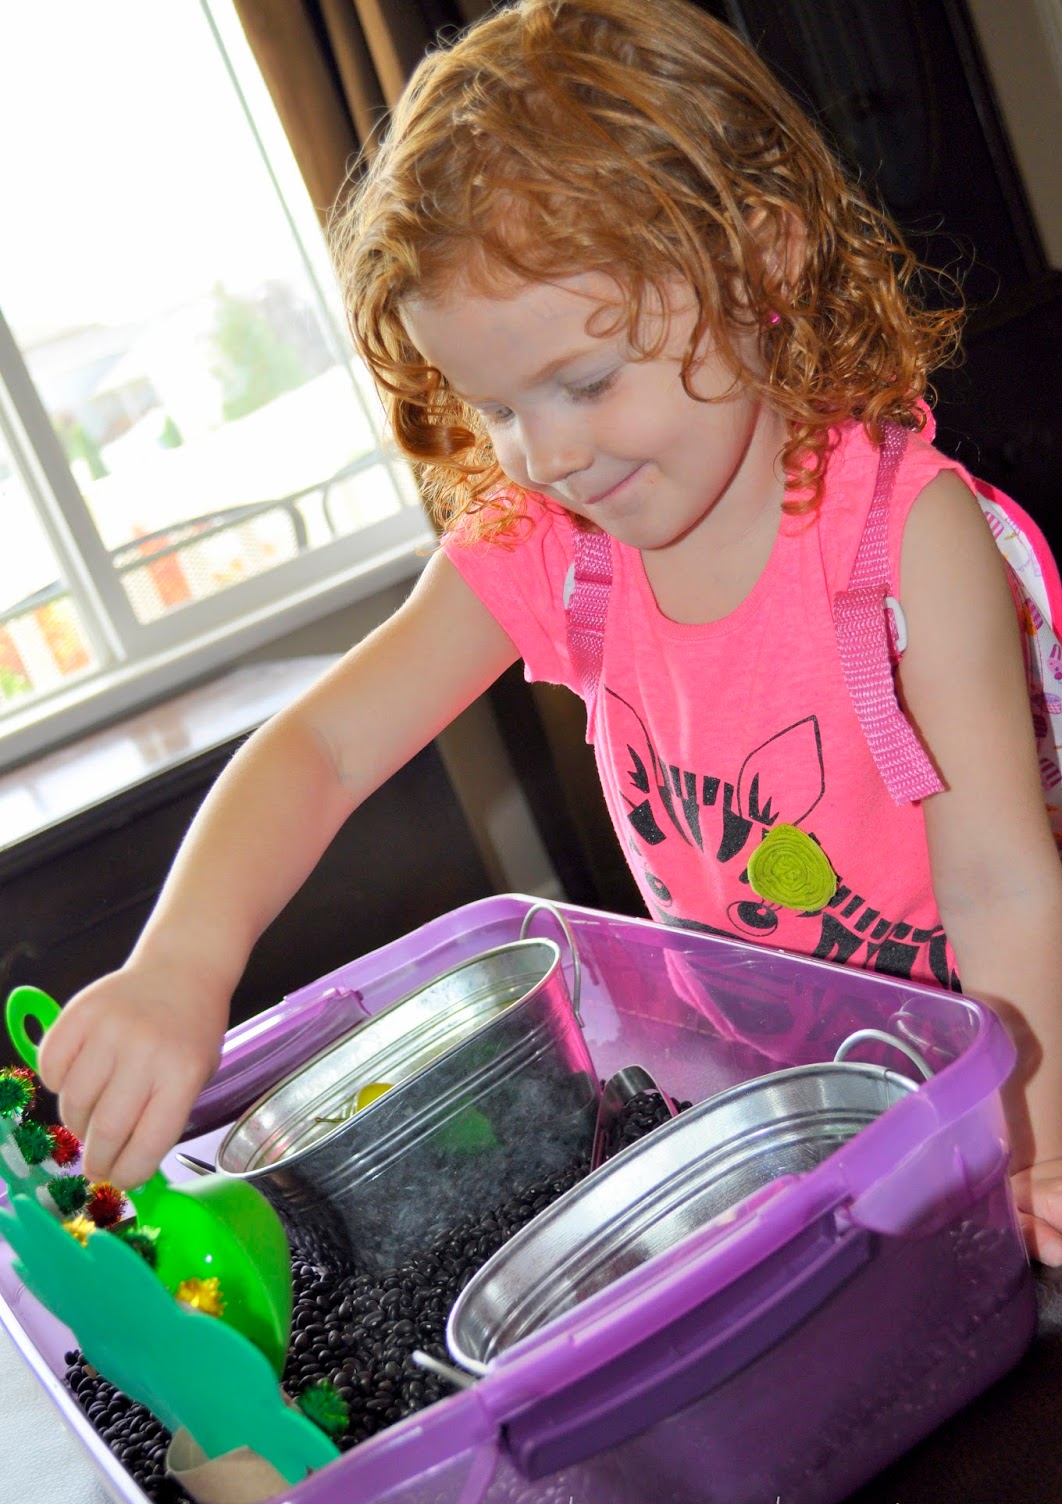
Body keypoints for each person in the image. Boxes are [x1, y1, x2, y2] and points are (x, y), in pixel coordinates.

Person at [38, 0, 1062, 1262]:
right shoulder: (552, 547)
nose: (551, 453)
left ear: (766, 263)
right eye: (498, 407)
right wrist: (183, 962)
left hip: (997, 1055)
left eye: (585, 383)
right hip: (780, 1092)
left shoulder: (907, 541)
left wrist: (1032, 1136)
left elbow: (1003, 883)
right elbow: (325, 750)